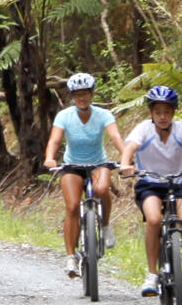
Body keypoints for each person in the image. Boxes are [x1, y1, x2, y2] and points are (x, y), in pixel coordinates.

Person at [117, 85, 182, 297]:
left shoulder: (181, 129)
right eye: (158, 112)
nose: (163, 117)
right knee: (154, 220)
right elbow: (130, 148)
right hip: (150, 183)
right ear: (151, 113)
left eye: (167, 112)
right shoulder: (143, 129)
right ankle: (152, 273)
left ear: (173, 112)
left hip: (179, 183)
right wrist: (125, 163)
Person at [42, 72, 123, 279]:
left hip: (98, 163)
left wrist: (127, 157)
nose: (82, 98)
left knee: (102, 189)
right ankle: (71, 256)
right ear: (72, 96)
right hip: (72, 165)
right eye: (78, 95)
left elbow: (115, 136)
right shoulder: (64, 116)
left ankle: (104, 226)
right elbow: (54, 140)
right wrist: (50, 157)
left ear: (92, 94)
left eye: (85, 93)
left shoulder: (103, 115)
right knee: (71, 207)